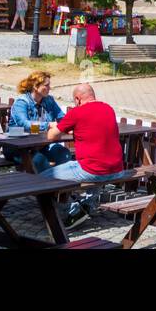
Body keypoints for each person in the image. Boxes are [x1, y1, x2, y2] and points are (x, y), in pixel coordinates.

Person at [42, 83, 130, 224]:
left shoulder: (76, 113)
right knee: (92, 164)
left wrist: (54, 126)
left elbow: (51, 136)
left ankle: (73, 209)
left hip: (93, 170)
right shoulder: (108, 109)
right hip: (117, 169)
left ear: (77, 99)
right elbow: (89, 127)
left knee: (42, 179)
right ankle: (88, 204)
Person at [7, 71, 73, 173]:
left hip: (41, 145)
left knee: (63, 153)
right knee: (39, 160)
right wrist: (48, 125)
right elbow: (25, 125)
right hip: (18, 148)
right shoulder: (21, 102)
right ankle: (48, 185)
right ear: (35, 86)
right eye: (46, 85)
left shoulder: (48, 100)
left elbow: (62, 117)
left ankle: (61, 183)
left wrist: (68, 127)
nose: (49, 88)